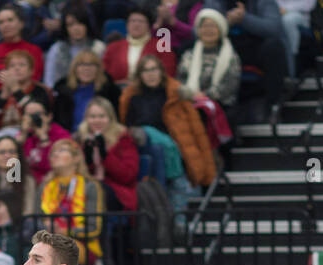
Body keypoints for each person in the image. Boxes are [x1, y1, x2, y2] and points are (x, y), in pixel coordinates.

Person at [118, 54, 216, 188]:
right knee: (153, 143)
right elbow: (127, 127)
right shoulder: (131, 98)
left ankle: (166, 189)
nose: (150, 74)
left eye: (154, 69)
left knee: (161, 150)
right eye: (145, 71)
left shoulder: (176, 94)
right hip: (143, 147)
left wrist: (207, 173)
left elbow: (197, 132)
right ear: (139, 75)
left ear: (161, 72)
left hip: (177, 146)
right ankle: (164, 188)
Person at [40, 137, 107, 265]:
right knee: (51, 252)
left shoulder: (91, 186)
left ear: (76, 158)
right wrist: (47, 227)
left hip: (84, 245)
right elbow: (37, 221)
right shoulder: (45, 186)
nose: (55, 155)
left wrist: (65, 230)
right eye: (52, 153)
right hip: (49, 244)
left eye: (61, 150)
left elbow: (95, 228)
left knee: (60, 252)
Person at [77, 96, 139, 213]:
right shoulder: (81, 139)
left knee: (96, 192)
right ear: (86, 119)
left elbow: (127, 176)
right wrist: (88, 160)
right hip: (85, 187)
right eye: (92, 117)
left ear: (110, 118)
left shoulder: (124, 140)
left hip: (117, 192)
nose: (97, 121)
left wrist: (105, 156)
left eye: (102, 116)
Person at [176, 9, 242, 117]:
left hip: (221, 105)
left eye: (212, 26)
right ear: (199, 30)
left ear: (220, 30)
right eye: (204, 26)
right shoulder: (188, 55)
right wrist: (193, 96)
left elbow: (230, 85)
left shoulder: (231, 56)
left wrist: (206, 96)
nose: (208, 30)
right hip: (191, 102)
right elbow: (180, 81)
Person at [52, 49, 120, 133]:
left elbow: (115, 120)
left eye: (91, 65)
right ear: (74, 68)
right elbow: (57, 123)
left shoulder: (110, 91)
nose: (87, 69)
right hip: (69, 138)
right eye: (82, 64)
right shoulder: (62, 92)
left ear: (98, 69)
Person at [103, 8, 176, 84]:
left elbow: (168, 73)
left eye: (141, 21)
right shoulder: (113, 47)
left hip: (151, 91)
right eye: (133, 21)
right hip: (117, 91)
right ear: (127, 25)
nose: (136, 24)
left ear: (149, 25)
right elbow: (103, 75)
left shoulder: (162, 46)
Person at [43, 4, 104, 89]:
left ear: (87, 25)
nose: (76, 28)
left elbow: (103, 78)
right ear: (65, 27)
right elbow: (49, 82)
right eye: (70, 25)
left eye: (80, 23)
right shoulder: (57, 49)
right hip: (63, 95)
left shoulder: (98, 47)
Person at [0, 3, 45, 85]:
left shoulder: (34, 50)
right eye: (1, 22)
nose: (6, 25)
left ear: (21, 23)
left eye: (10, 20)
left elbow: (35, 80)